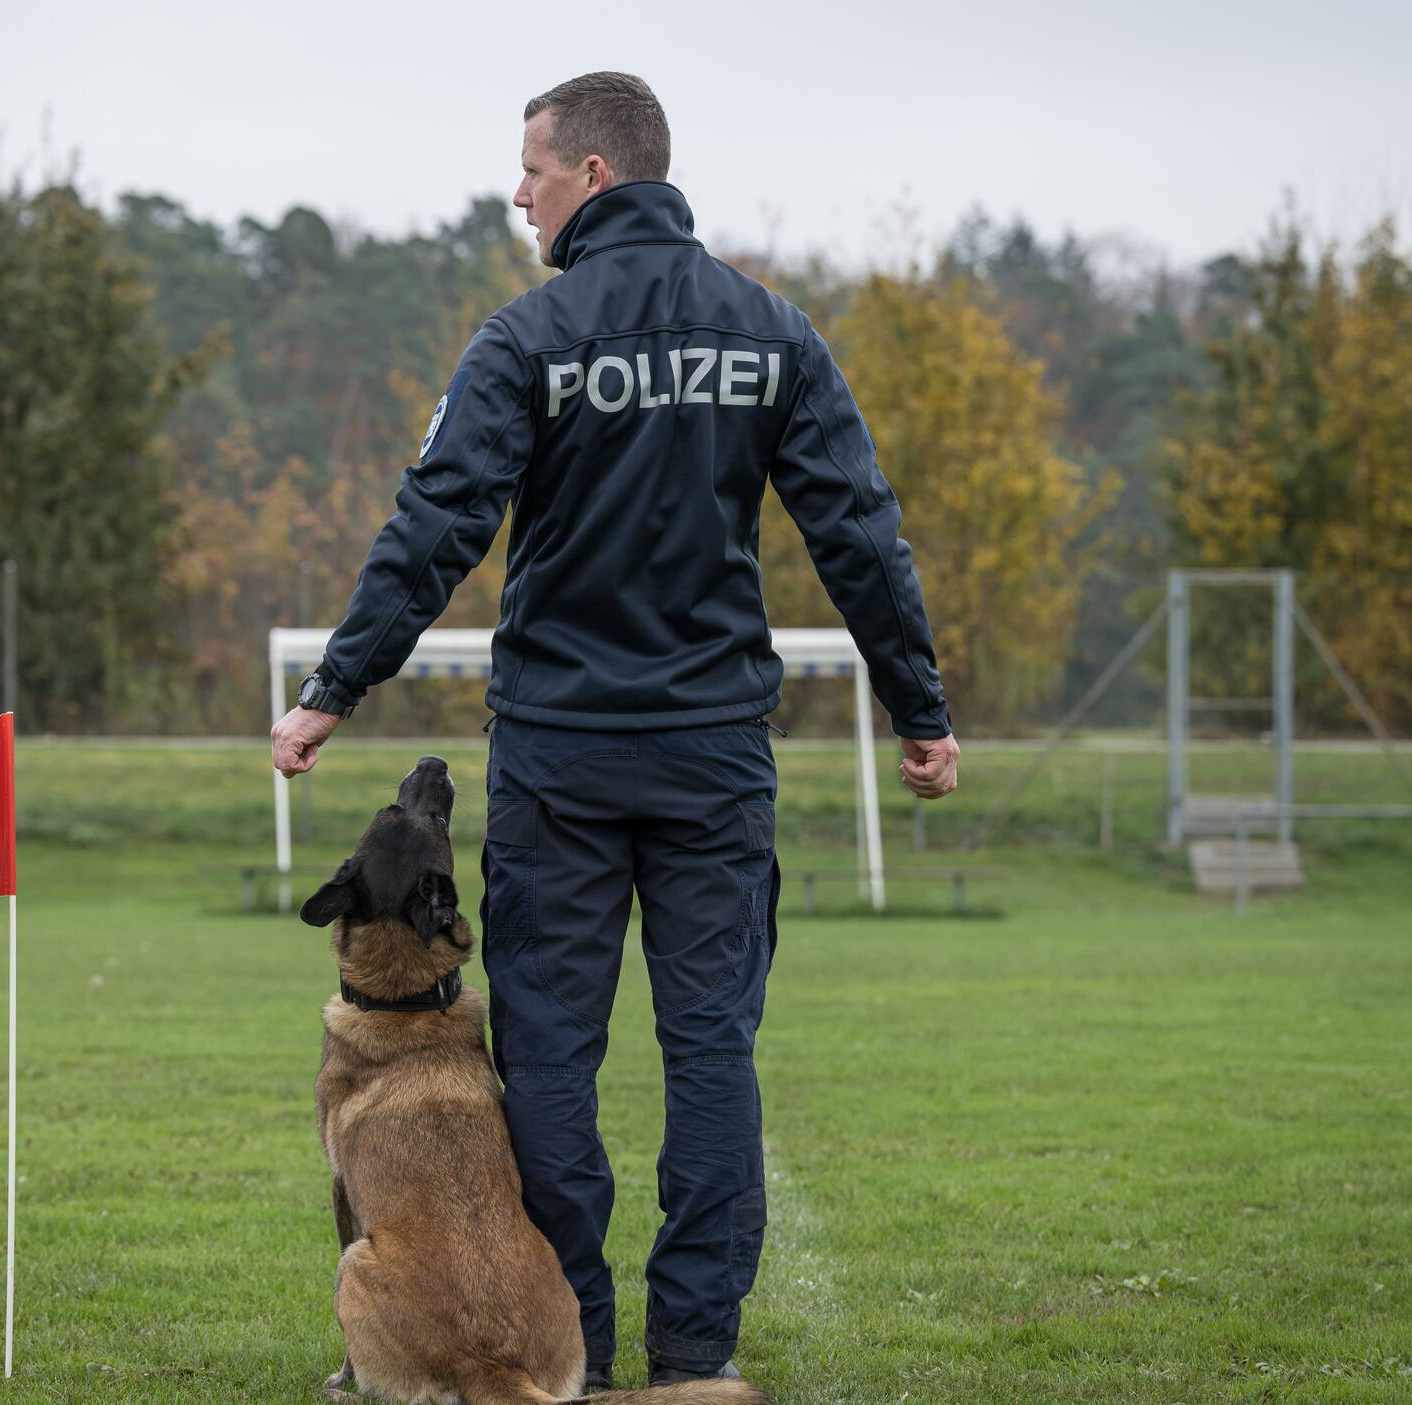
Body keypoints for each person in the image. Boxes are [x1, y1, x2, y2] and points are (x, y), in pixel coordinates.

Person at [269, 71, 959, 1390]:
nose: (516, 194)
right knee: (712, 1054)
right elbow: (860, 532)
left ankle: (569, 1349)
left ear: (593, 173)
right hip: (713, 756)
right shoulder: (773, 333)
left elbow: (436, 527)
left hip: (562, 759)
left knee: (548, 1062)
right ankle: (695, 1357)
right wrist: (917, 707)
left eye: (530, 170)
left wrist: (335, 687)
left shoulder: (526, 338)